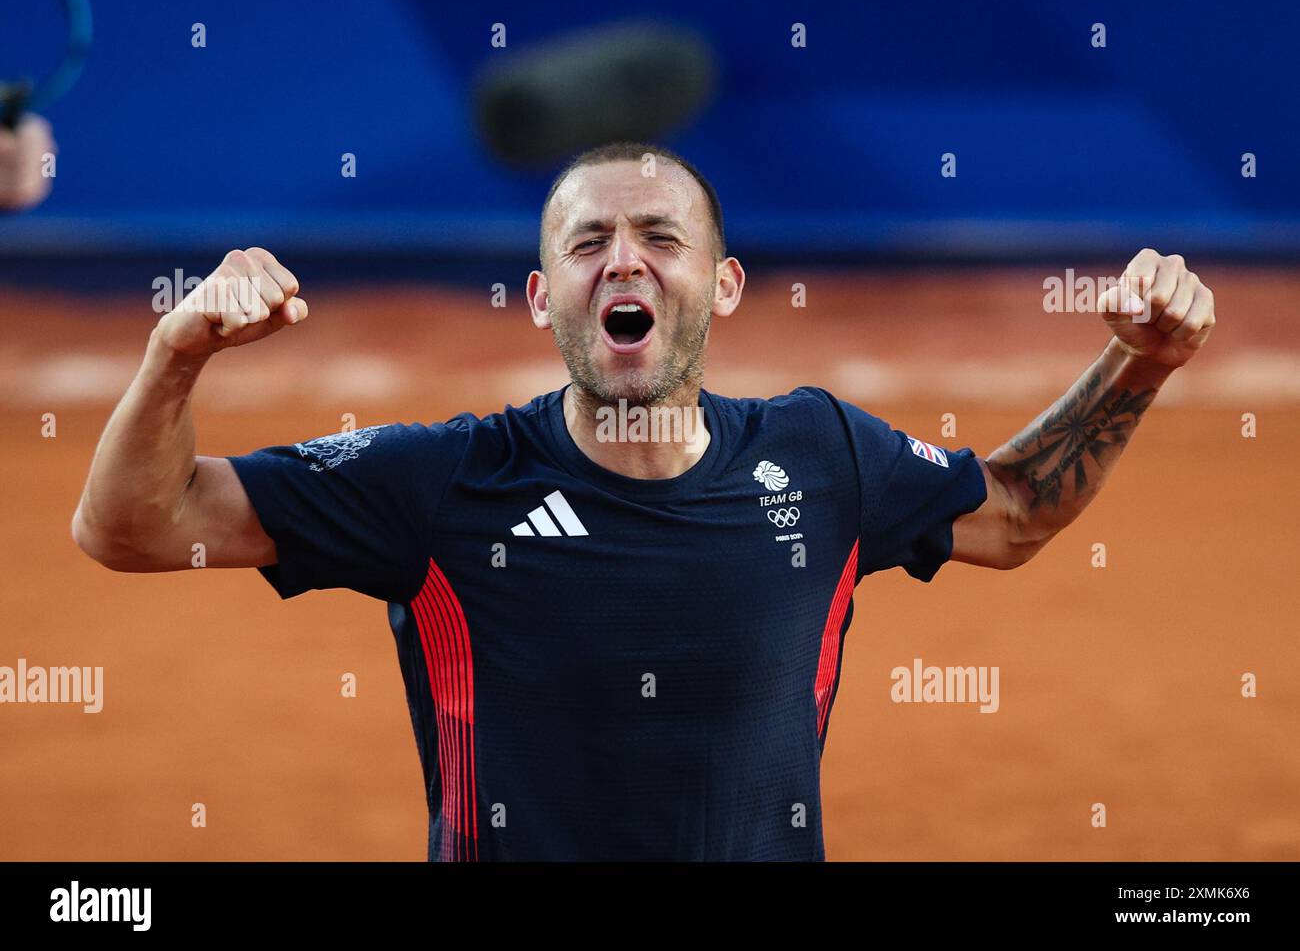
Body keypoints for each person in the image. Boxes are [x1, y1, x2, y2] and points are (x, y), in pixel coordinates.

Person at [71, 141, 1215, 861]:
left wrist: (1141, 363)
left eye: (660, 237)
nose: (624, 260)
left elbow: (1013, 509)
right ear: (541, 296)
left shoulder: (822, 455)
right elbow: (134, 526)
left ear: (720, 284)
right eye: (588, 243)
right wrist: (177, 353)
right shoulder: (439, 481)